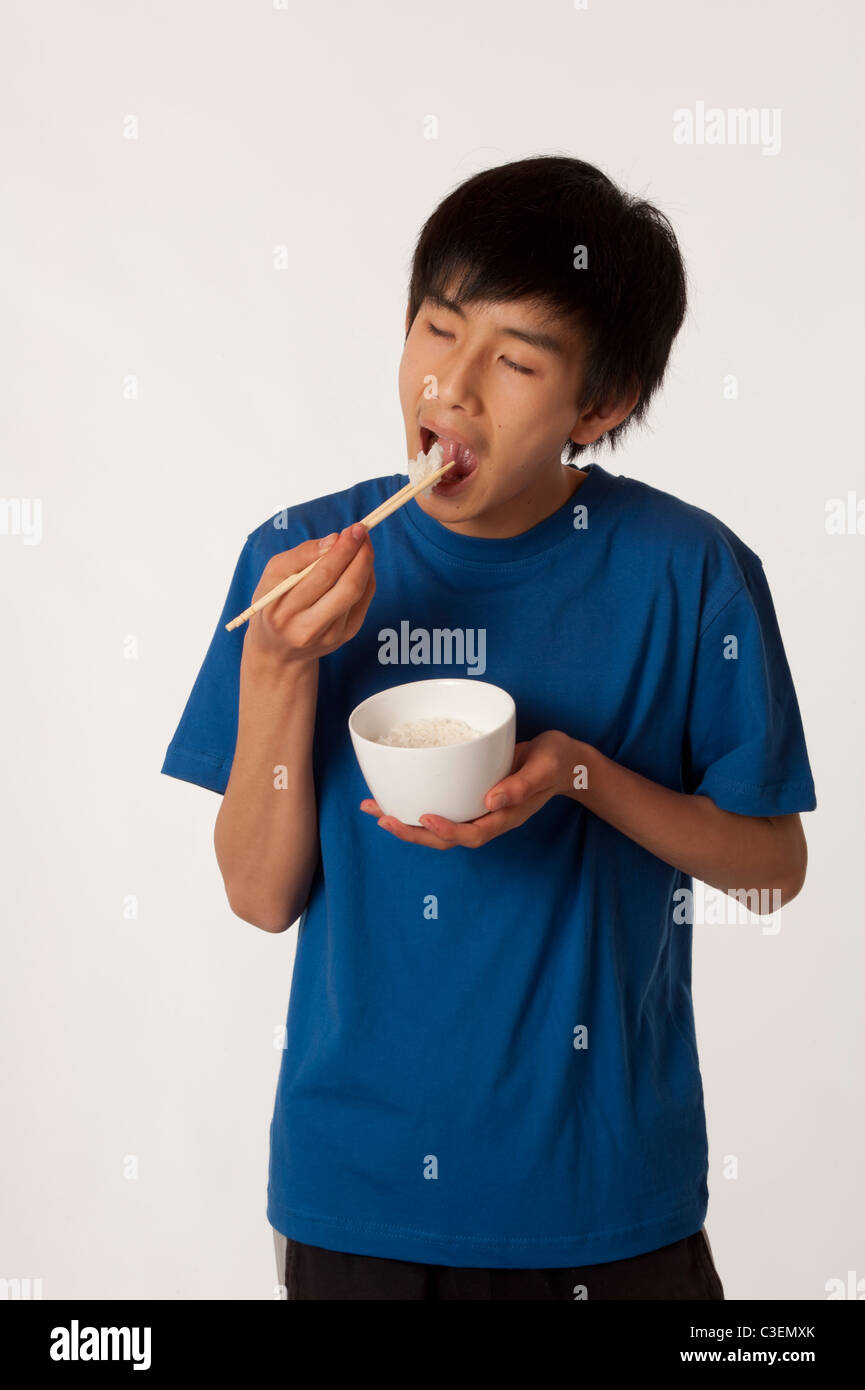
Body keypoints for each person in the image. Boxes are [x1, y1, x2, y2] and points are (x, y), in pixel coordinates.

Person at [161, 155, 815, 1300]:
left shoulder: (690, 572)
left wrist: (579, 778)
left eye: (513, 362)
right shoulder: (297, 562)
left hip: (605, 1197)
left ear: (598, 406)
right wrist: (275, 662)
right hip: (354, 1190)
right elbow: (259, 898)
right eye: (434, 329)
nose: (448, 389)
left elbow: (772, 871)